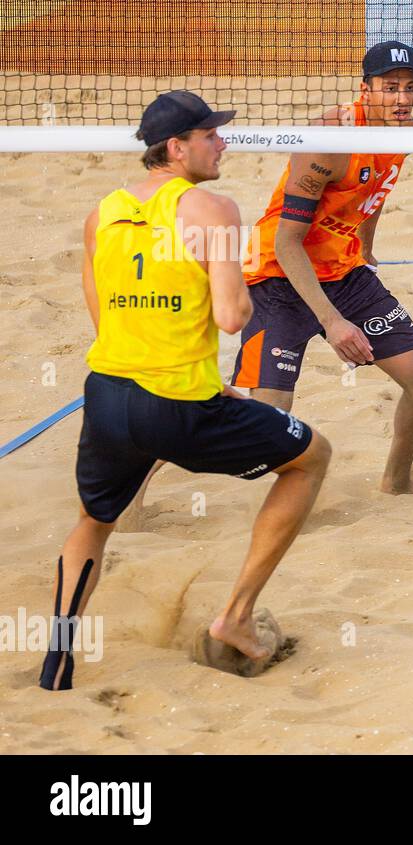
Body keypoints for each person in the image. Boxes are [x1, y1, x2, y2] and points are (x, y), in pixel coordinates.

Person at [40, 91, 332, 691]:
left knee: (94, 521)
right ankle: (237, 618)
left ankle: (57, 663)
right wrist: (226, 279)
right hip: (177, 405)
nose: (223, 142)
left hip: (109, 394)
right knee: (311, 458)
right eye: (212, 135)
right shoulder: (212, 208)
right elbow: (232, 315)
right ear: (177, 148)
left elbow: (104, 318)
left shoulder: (103, 213)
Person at [232, 40, 413, 494]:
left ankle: (396, 483)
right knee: (266, 418)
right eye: (391, 88)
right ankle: (151, 457)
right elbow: (288, 241)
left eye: (410, 88)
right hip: (279, 276)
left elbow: (374, 195)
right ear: (365, 88)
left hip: (344, 272)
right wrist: (332, 323)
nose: (403, 99)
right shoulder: (328, 139)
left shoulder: (404, 133)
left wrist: (366, 249)